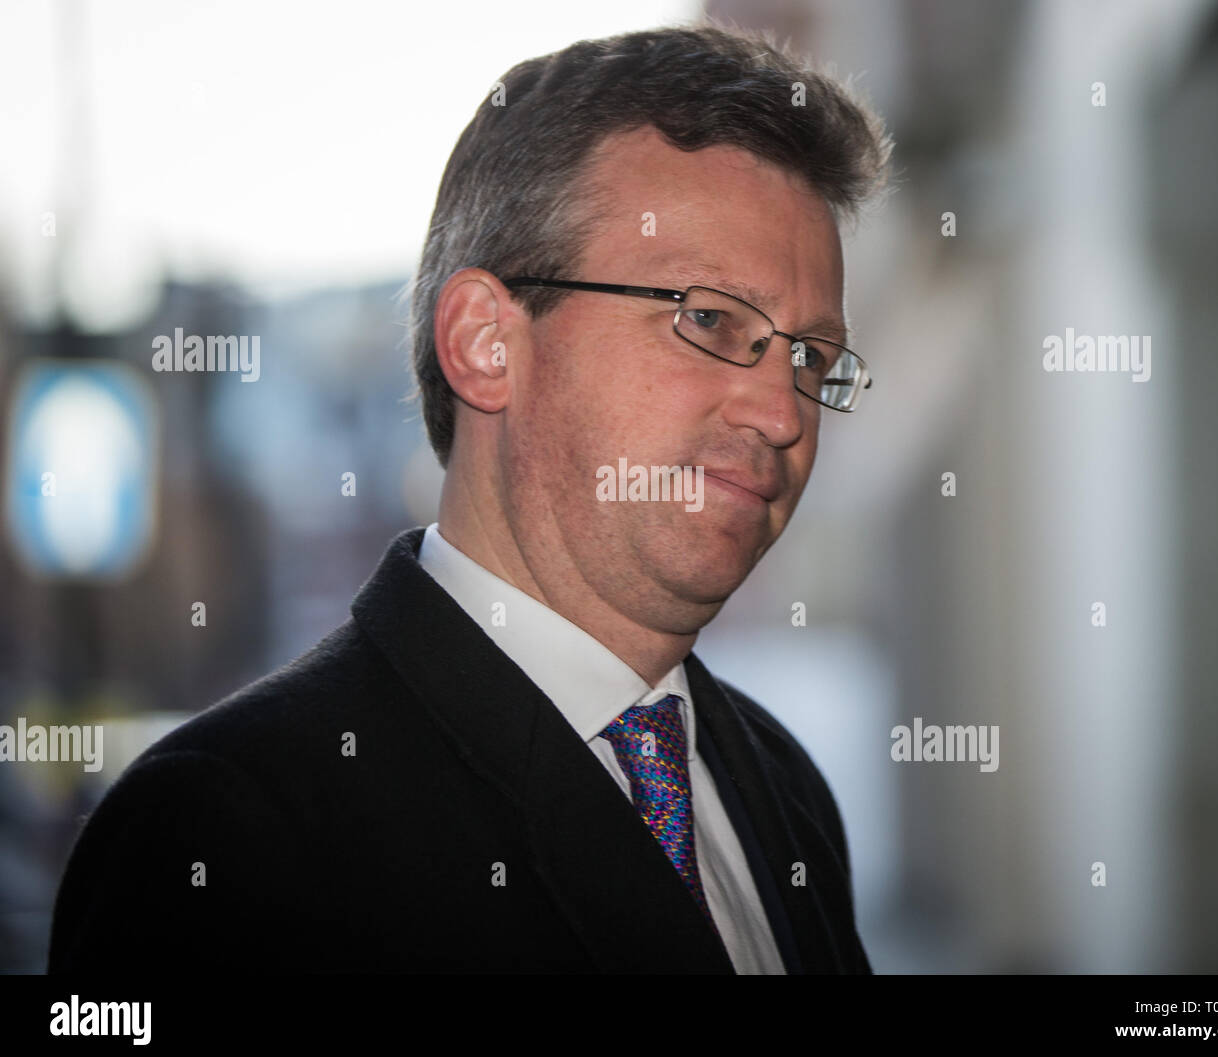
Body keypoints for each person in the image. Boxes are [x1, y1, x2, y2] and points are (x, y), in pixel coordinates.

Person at [48, 22, 891, 975]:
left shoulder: (780, 785)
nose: (782, 410)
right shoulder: (222, 832)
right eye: (708, 318)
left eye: (811, 356)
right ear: (487, 341)